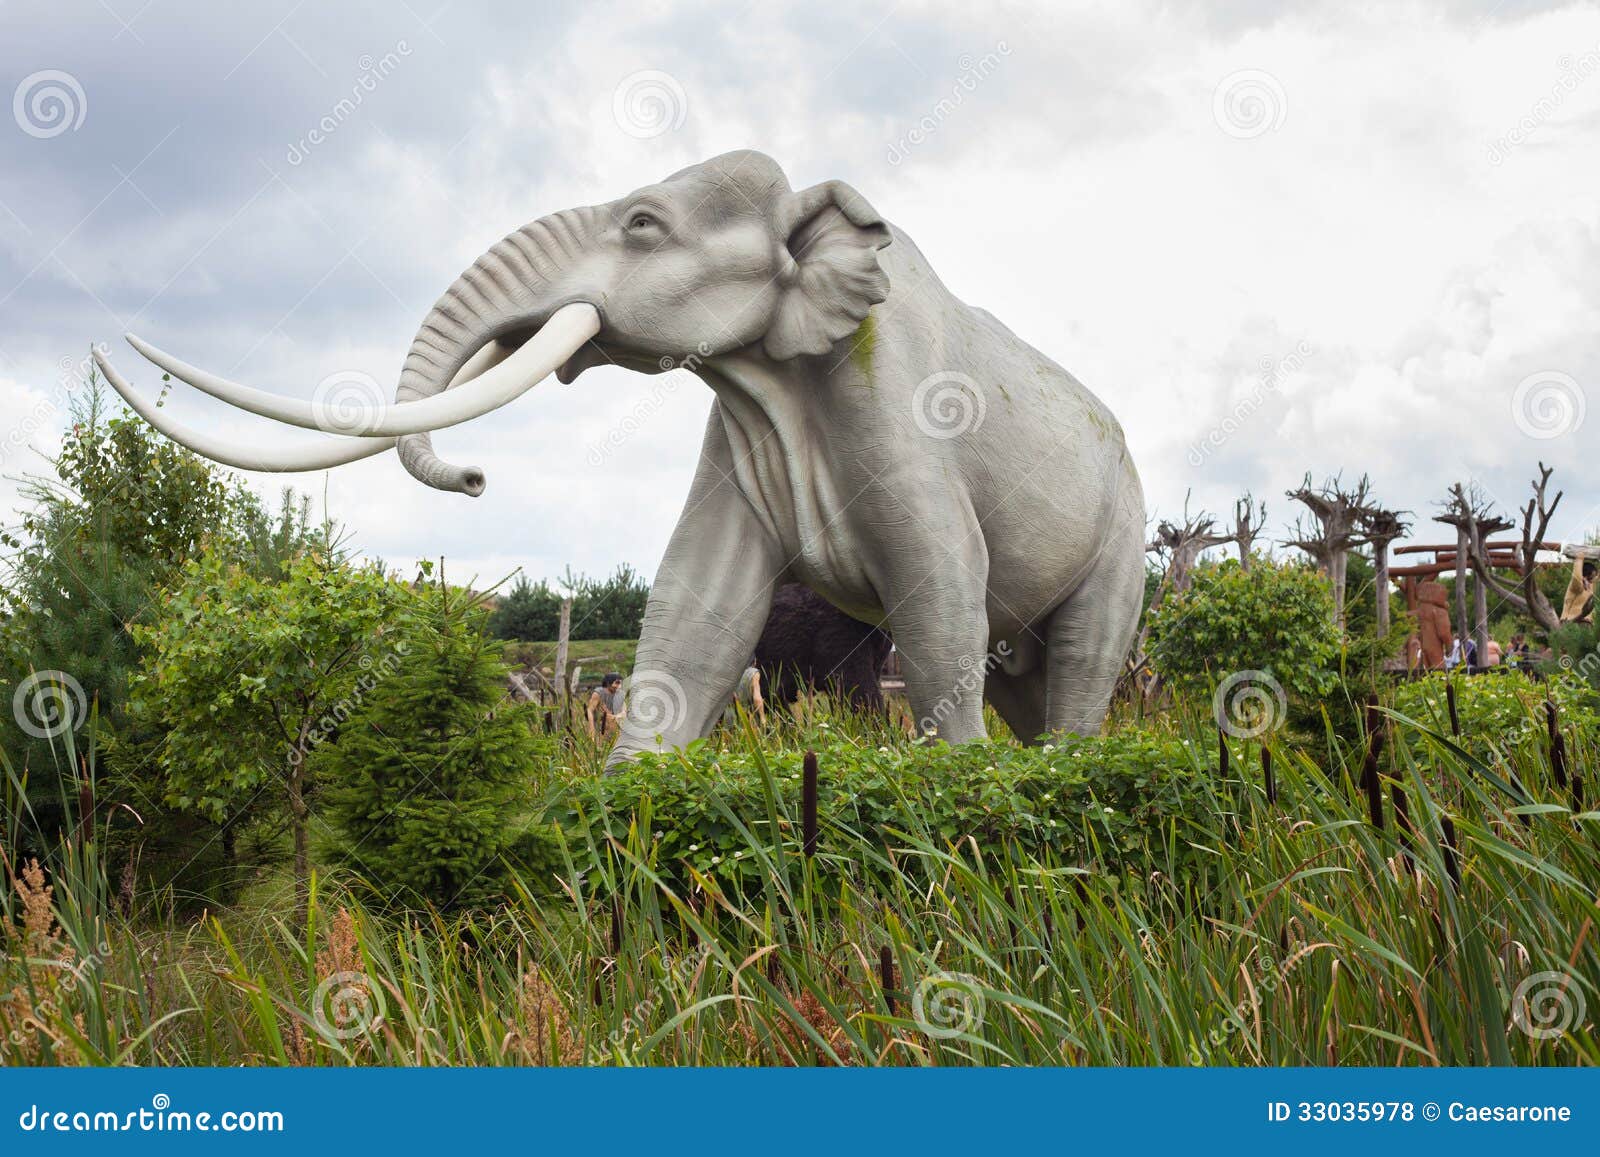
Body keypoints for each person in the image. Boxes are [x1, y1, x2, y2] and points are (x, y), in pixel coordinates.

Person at [722, 662, 766, 729]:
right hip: (747, 716)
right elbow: (757, 698)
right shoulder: (753, 673)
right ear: (754, 661)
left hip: (729, 717)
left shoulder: (727, 672)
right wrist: (762, 718)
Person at [586, 673, 623, 740]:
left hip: (614, 727)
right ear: (608, 683)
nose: (619, 686)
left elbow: (624, 711)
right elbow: (590, 710)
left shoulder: (619, 694)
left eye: (620, 683)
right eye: (617, 683)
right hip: (600, 727)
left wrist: (616, 716)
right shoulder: (598, 693)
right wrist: (591, 729)